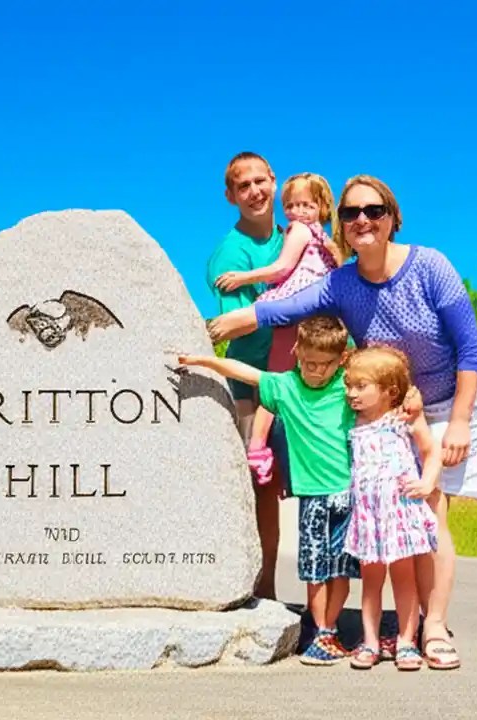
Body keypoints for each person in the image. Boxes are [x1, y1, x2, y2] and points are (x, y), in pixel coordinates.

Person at [207, 174, 477, 670]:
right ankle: (410, 626)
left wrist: (462, 421)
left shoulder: (431, 267)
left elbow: (471, 350)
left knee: (431, 511)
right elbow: (291, 306)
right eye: (350, 213)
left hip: (454, 397)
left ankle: (433, 626)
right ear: (339, 223)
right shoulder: (343, 283)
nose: (362, 220)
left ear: (392, 217)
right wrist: (241, 320)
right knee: (415, 511)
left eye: (373, 210)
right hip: (393, 401)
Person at [176, 316, 360, 666]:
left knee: (343, 572)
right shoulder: (286, 386)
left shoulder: (347, 385)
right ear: (296, 351)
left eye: (325, 365)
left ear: (342, 359)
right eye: (308, 363)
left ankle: (331, 627)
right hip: (313, 499)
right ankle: (322, 632)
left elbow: (384, 375)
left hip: (350, 496)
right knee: (316, 572)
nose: (316, 372)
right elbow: (241, 371)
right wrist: (203, 360)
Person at [213, 172, 348, 487]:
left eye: (306, 205)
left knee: (277, 381)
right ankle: (275, 447)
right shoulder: (316, 235)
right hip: (313, 313)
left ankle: (260, 447)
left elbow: (282, 268)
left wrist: (244, 278)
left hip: (295, 310)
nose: (298, 212)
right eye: (291, 205)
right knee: (296, 379)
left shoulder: (302, 231)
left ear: (322, 207)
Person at [205, 151, 285, 600]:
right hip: (252, 387)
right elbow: (235, 324)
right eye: (243, 185)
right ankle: (263, 587)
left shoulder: (295, 237)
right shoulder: (229, 255)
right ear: (230, 195)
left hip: (305, 378)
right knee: (261, 490)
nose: (254, 191)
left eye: (260, 181)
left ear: (274, 182)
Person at [341, 346, 441, 672]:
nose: (351, 393)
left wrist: (427, 483)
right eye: (349, 385)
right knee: (370, 581)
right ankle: (370, 641)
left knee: (404, 579)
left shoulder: (403, 420)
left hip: (399, 511)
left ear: (389, 391)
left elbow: (431, 451)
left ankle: (407, 641)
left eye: (361, 386)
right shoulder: (351, 420)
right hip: (369, 515)